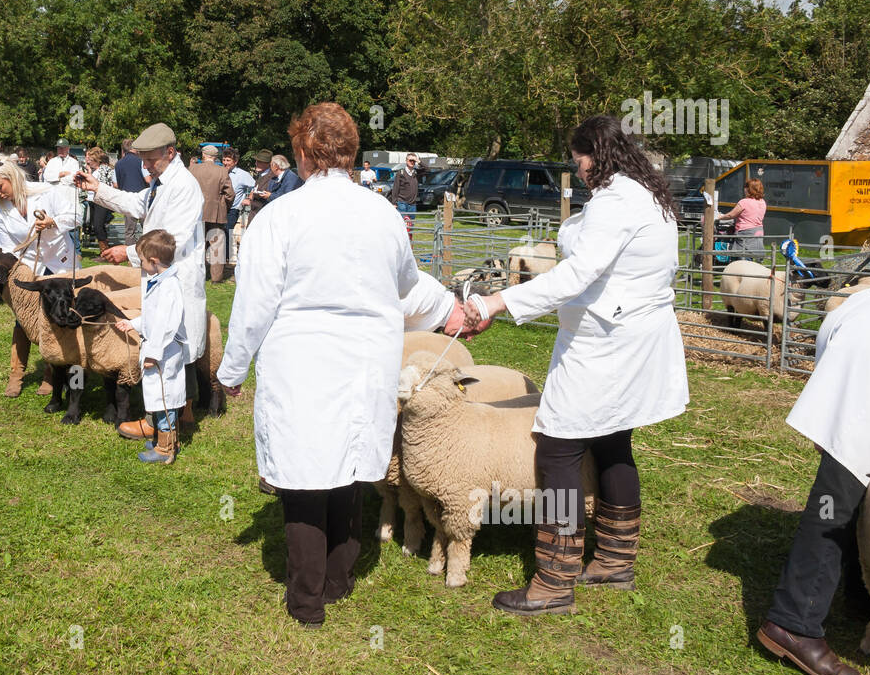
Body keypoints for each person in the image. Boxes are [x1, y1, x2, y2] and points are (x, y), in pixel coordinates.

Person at [465, 114, 690, 616]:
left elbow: (575, 274)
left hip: (606, 346)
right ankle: (614, 557)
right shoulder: (646, 196)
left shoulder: (615, 202)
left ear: (598, 154)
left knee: (559, 448)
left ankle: (554, 579)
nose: (579, 168)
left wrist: (496, 303)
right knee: (612, 441)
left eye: (580, 159)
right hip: (634, 337)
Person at [216, 103, 419, 627]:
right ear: (349, 153)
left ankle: (307, 599)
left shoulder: (281, 216)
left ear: (304, 152)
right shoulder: (384, 215)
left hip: (304, 358)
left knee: (306, 472)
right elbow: (405, 285)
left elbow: (255, 303)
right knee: (348, 464)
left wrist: (231, 370)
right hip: (366, 360)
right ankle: (338, 578)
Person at [756, 283, 870, 675]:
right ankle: (795, 621)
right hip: (867, 354)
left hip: (858, 321)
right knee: (836, 497)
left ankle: (860, 594)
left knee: (855, 484)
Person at [76, 123, 207, 442]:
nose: (144, 166)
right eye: (143, 159)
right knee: (170, 346)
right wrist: (98, 188)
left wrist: (130, 252)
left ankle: (162, 422)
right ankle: (177, 413)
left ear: (170, 153)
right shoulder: (163, 182)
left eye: (149, 159)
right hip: (160, 274)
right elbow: (137, 206)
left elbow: (172, 239)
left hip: (175, 275)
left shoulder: (184, 187)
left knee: (167, 349)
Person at [0, 156, 80, 396]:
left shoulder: (47, 192)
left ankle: (52, 374)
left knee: (56, 318)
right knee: (23, 319)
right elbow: (8, 248)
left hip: (60, 264)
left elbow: (77, 216)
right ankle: (16, 374)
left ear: (12, 179)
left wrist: (53, 222)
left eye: (0, 187)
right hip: (29, 266)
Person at [116, 230, 186, 464]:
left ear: (154, 262)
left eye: (143, 261)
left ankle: (166, 449)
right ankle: (164, 440)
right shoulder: (158, 282)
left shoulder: (169, 288)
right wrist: (133, 323)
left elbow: (166, 325)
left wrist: (153, 354)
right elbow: (152, 318)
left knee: (165, 399)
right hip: (157, 350)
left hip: (164, 353)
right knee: (157, 397)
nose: (142, 265)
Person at [189, 145, 234, 283]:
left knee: (196, 244)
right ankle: (216, 278)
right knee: (217, 245)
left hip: (196, 212)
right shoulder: (222, 171)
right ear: (215, 157)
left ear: (203, 155)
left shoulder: (192, 169)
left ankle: (196, 275)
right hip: (216, 213)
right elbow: (230, 194)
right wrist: (224, 206)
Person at [113, 138, 148, 245]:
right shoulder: (141, 162)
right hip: (142, 199)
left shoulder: (118, 164)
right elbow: (148, 179)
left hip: (127, 199)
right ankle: (147, 252)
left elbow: (115, 184)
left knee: (129, 232)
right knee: (147, 229)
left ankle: (130, 257)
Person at [720, 177, 767, 258]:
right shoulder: (762, 202)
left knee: (742, 256)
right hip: (758, 232)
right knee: (751, 255)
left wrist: (719, 217)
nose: (744, 189)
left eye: (746, 187)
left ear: (749, 189)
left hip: (745, 232)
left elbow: (731, 215)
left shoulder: (744, 202)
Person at [223, 148, 255, 262]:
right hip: (220, 208)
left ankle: (226, 259)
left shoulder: (243, 175)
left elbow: (255, 186)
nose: (225, 163)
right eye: (224, 160)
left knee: (227, 231)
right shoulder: (220, 171)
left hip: (232, 209)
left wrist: (248, 198)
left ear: (235, 162)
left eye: (228, 160)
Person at [82, 147, 116, 249]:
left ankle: (104, 251)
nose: (89, 161)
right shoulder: (94, 170)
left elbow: (109, 184)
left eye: (91, 160)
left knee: (98, 226)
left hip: (101, 201)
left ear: (97, 160)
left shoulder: (104, 169)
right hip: (93, 201)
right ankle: (104, 250)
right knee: (96, 226)